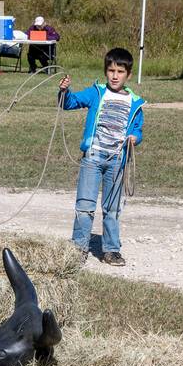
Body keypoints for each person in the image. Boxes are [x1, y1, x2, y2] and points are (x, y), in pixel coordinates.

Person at [59, 47, 145, 267]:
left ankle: (111, 250)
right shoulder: (96, 92)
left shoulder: (135, 102)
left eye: (120, 71)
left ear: (128, 74)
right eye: (111, 70)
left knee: (113, 208)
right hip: (93, 157)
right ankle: (78, 248)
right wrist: (65, 92)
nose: (115, 76)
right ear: (105, 71)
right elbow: (69, 103)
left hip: (117, 161)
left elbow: (138, 128)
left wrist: (135, 137)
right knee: (85, 205)